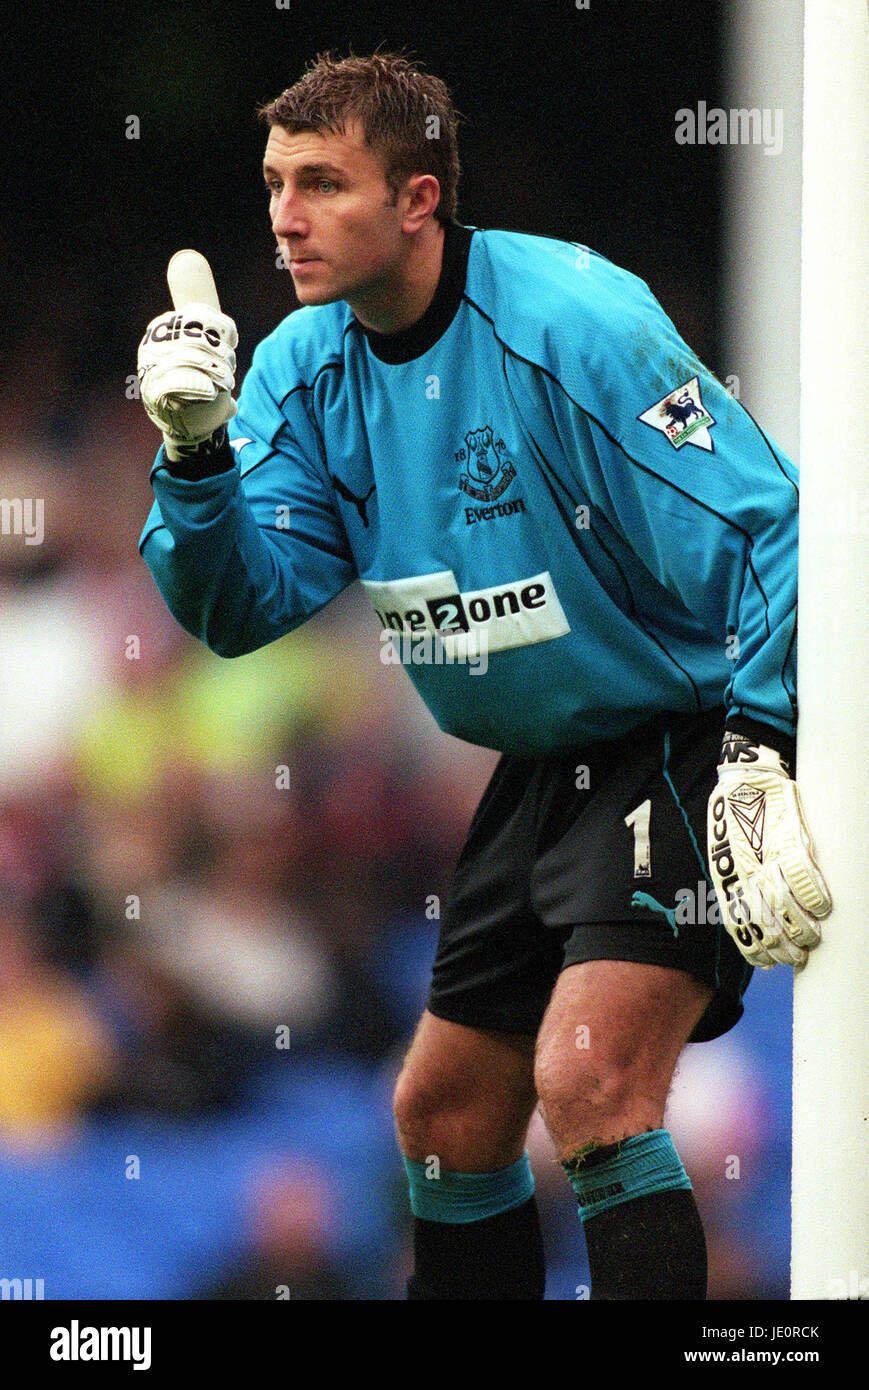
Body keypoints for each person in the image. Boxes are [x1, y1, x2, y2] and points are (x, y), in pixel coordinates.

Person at [136, 51, 831, 1300]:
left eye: (321, 183)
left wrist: (756, 744)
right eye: (274, 182)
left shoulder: (574, 319)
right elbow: (236, 609)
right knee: (442, 1114)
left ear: (417, 200)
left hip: (675, 732)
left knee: (587, 1079)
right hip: (539, 764)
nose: (285, 215)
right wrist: (193, 460)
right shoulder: (299, 368)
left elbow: (764, 521)